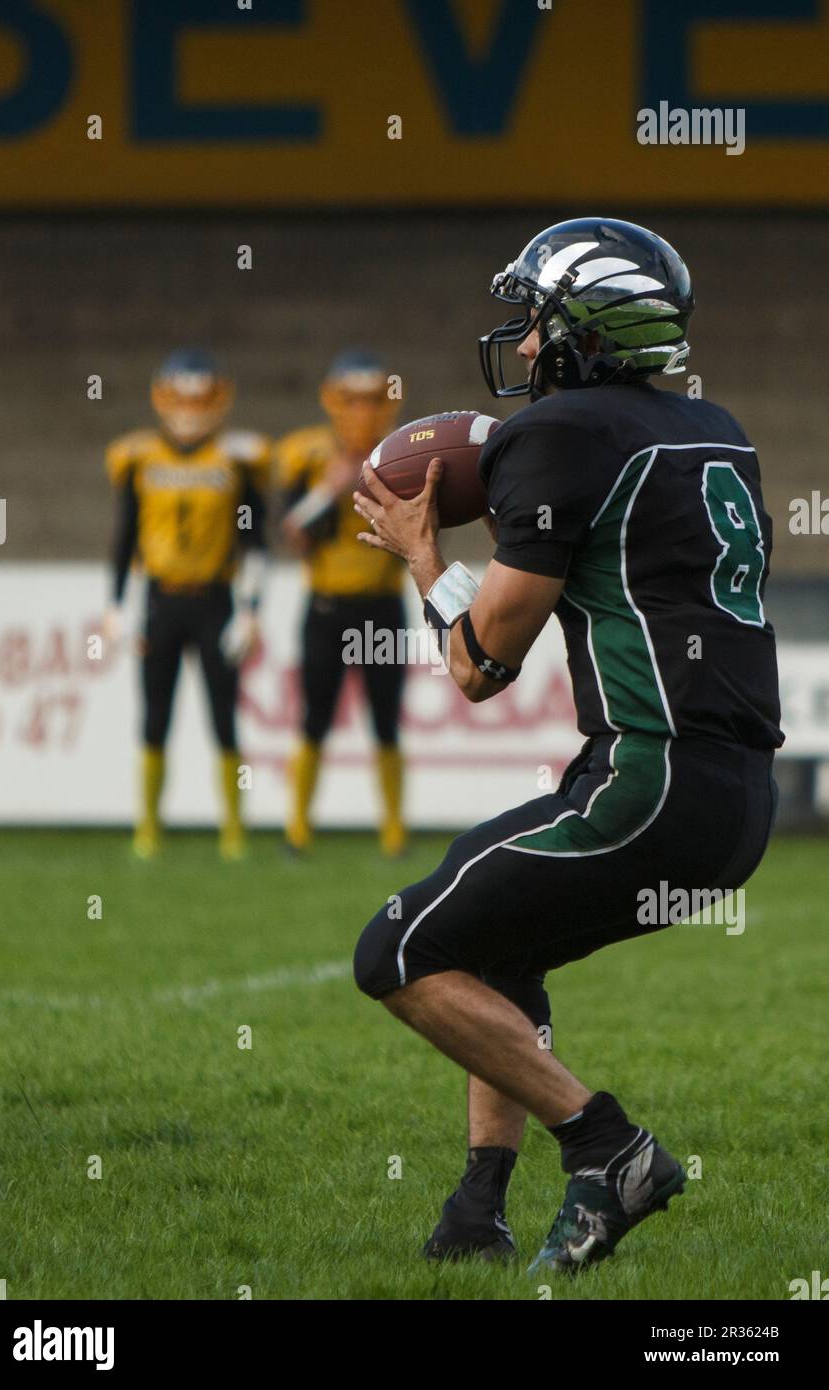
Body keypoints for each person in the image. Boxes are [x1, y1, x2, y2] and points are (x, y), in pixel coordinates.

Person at [352, 218, 782, 1272]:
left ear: (587, 325)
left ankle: (609, 1149)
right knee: (498, 947)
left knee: (397, 951)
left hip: (651, 777)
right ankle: (473, 1215)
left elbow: (479, 667)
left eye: (538, 320)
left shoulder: (564, 434)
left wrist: (422, 557)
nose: (526, 344)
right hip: (732, 793)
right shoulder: (711, 424)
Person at [105, 348, 270, 861]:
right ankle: (149, 827)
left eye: (201, 398)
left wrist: (250, 609)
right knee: (155, 715)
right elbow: (124, 536)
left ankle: (233, 830)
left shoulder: (238, 459)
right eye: (182, 398)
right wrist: (116, 604)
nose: (191, 409)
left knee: (224, 718)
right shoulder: (138, 458)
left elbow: (257, 542)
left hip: (215, 600)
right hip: (160, 598)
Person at [277, 350, 406, 856]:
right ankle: (297, 829)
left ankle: (394, 832)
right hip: (327, 605)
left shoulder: (401, 455)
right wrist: (328, 492)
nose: (362, 411)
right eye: (353, 400)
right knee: (314, 717)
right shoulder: (306, 454)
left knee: (387, 722)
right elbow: (292, 533)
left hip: (382, 603)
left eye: (372, 400)